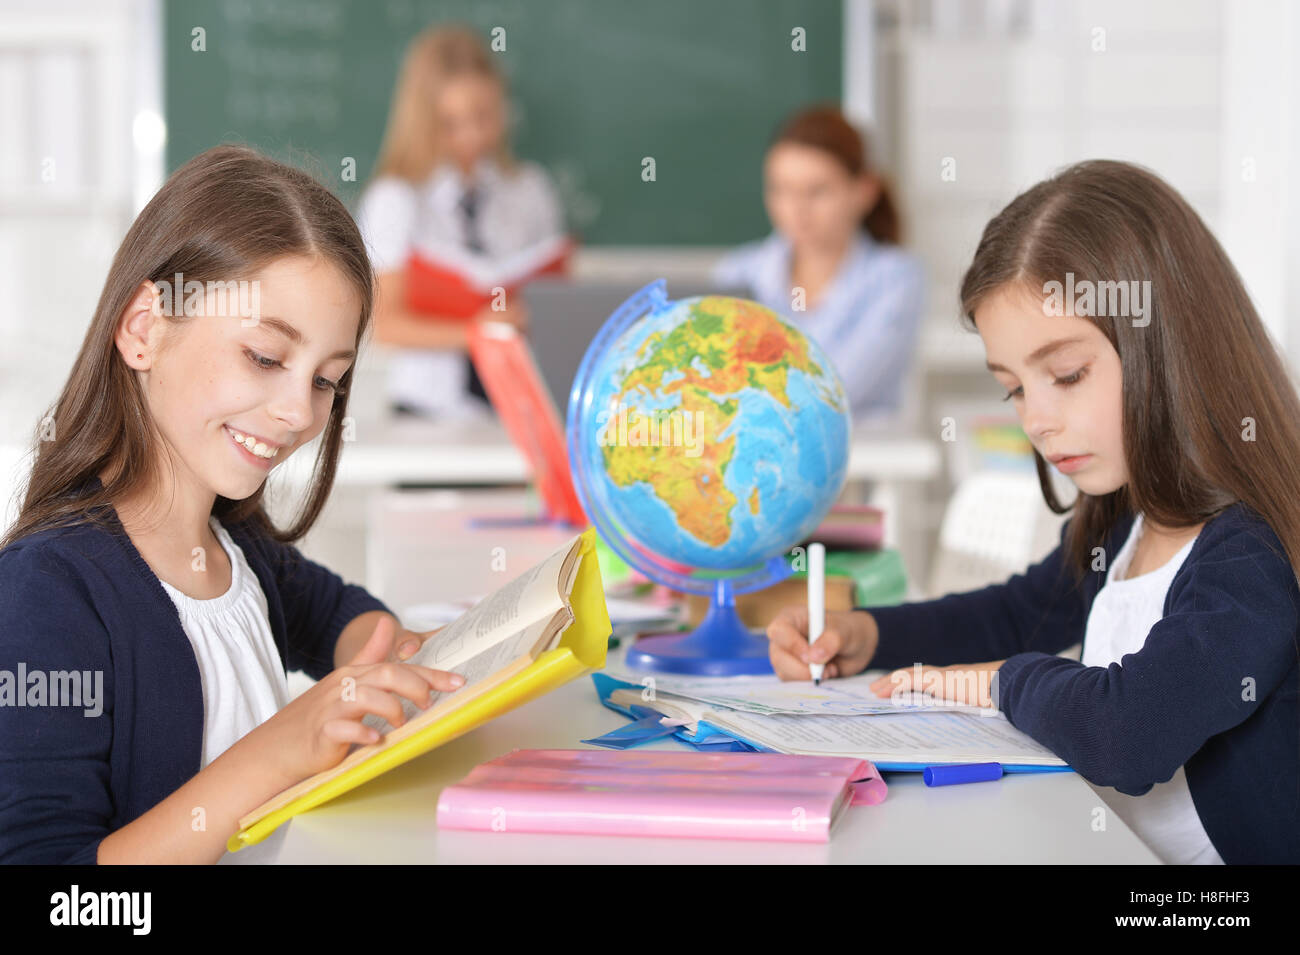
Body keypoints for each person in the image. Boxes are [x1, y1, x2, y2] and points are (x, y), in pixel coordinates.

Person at [765, 159, 1300, 865]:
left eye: (1067, 375)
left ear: (1169, 344)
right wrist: (868, 633)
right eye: (1014, 388)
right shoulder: (1126, 519)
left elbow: (1127, 731)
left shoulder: (1247, 558)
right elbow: (1022, 614)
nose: (1038, 420)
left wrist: (997, 681)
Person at [0, 145, 464, 863]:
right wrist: (278, 752)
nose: (297, 412)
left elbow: (337, 614)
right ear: (144, 328)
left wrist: (388, 648)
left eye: (326, 380)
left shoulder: (235, 551)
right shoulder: (47, 593)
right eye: (266, 357)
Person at [356, 24, 567, 421]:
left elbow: (556, 301)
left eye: (484, 116)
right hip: (428, 412)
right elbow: (386, 325)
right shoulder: (395, 198)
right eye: (451, 123)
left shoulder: (530, 190)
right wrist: (477, 332)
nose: (471, 135)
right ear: (423, 120)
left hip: (519, 409)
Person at [712, 105, 925, 424]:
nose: (796, 209)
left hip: (866, 461)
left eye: (817, 191)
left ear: (864, 191)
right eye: (781, 190)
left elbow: (838, 390)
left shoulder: (895, 278)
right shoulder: (737, 273)